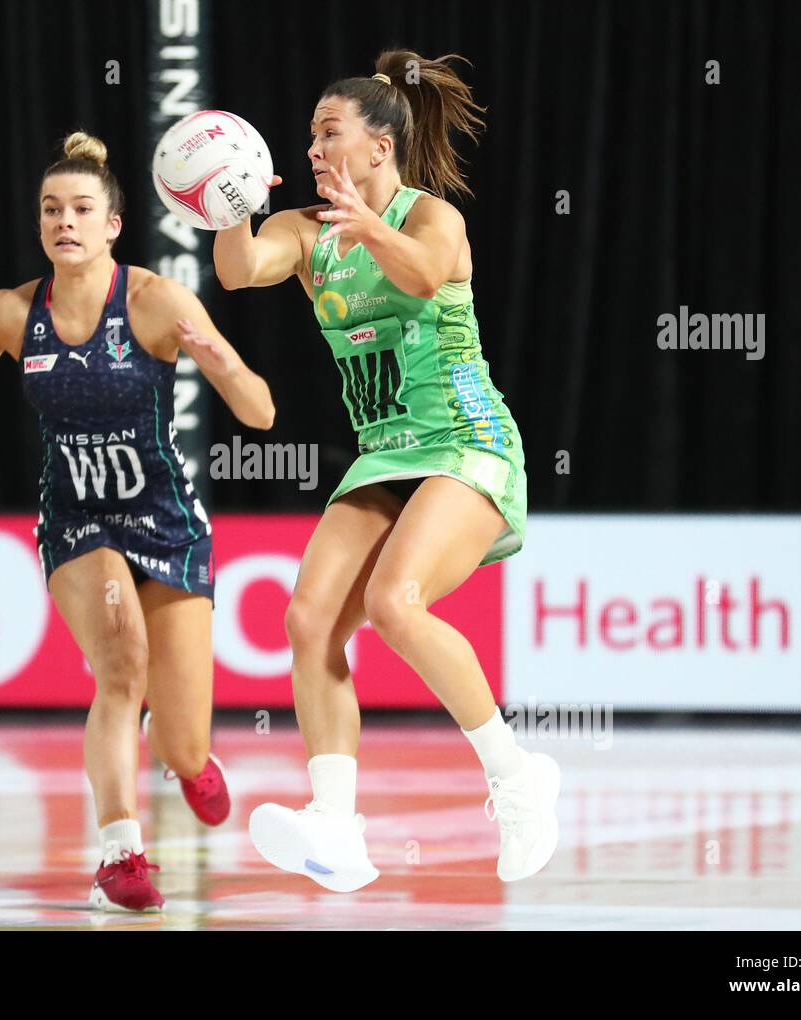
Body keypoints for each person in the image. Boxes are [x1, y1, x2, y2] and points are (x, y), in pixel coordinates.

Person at [213, 51, 559, 890]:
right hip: (385, 453)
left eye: (330, 132)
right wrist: (223, 199)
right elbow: (235, 269)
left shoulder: (430, 216)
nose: (316, 148)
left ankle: (516, 778)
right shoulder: (301, 232)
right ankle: (336, 824)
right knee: (308, 622)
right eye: (309, 137)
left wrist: (366, 223)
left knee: (393, 604)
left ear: (379, 146)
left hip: (466, 437)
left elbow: (425, 272)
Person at [0, 131, 275, 911]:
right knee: (121, 667)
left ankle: (188, 759)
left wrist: (221, 361)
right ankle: (120, 859)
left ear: (113, 224)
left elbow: (262, 411)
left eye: (81, 209)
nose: (63, 222)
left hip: (168, 522)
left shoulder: (153, 302)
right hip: (78, 521)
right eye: (51, 210)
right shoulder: (12, 313)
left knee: (185, 742)